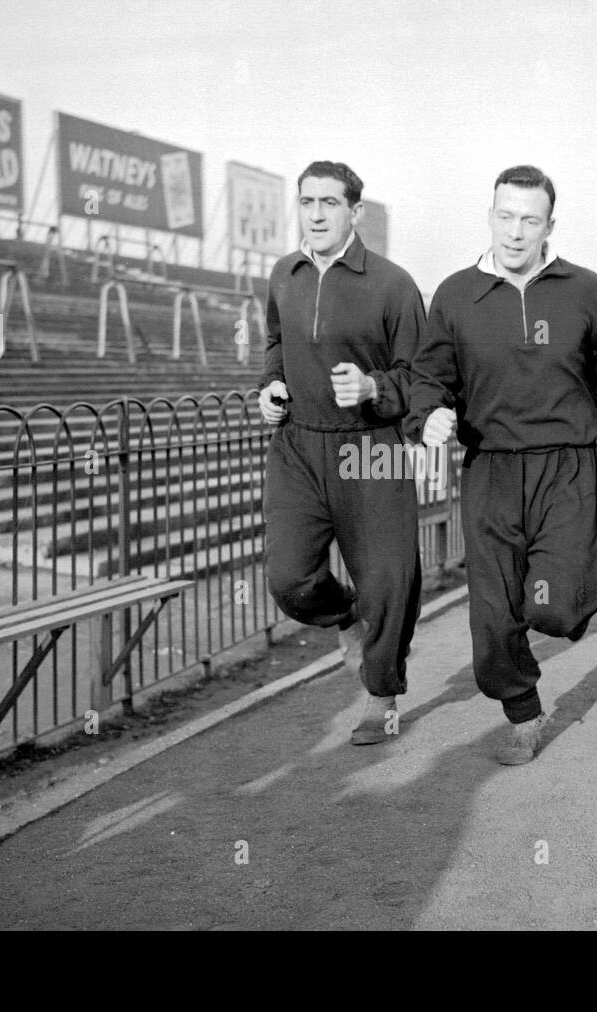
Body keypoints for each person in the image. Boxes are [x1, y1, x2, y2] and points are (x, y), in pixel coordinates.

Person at [405, 165, 597, 765]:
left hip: (567, 468)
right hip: (491, 470)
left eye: (529, 219)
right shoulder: (456, 295)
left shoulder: (583, 289)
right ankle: (522, 712)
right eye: (505, 216)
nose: (515, 231)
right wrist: (428, 414)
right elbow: (430, 377)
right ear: (490, 217)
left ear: (548, 226)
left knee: (554, 608)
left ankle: (562, 607)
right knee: (492, 610)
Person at [258, 161, 426, 745]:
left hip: (368, 447)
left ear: (355, 211)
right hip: (299, 445)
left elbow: (420, 378)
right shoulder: (285, 273)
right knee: (289, 577)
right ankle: (344, 615)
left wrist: (375, 388)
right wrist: (270, 386)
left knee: (386, 578)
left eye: (331, 203)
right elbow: (276, 343)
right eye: (308, 202)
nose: (318, 214)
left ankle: (381, 694)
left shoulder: (392, 284)